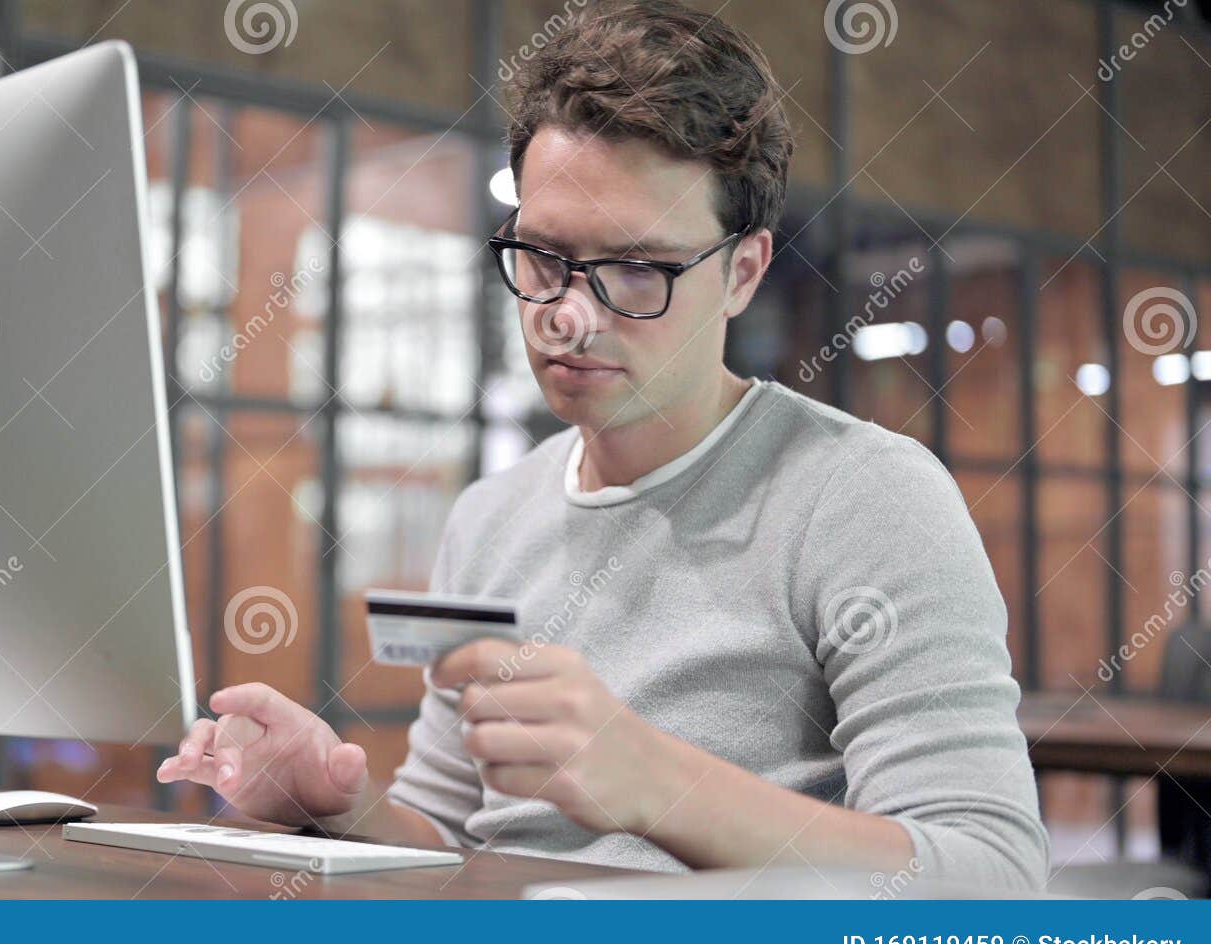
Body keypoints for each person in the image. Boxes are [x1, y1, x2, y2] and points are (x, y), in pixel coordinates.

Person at [157, 0, 1048, 889]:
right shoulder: (491, 517)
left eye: (636, 268)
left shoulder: (864, 497)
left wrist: (653, 783)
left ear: (742, 273)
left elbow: (992, 879)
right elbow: (454, 838)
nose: (568, 317)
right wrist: (336, 804)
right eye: (544, 258)